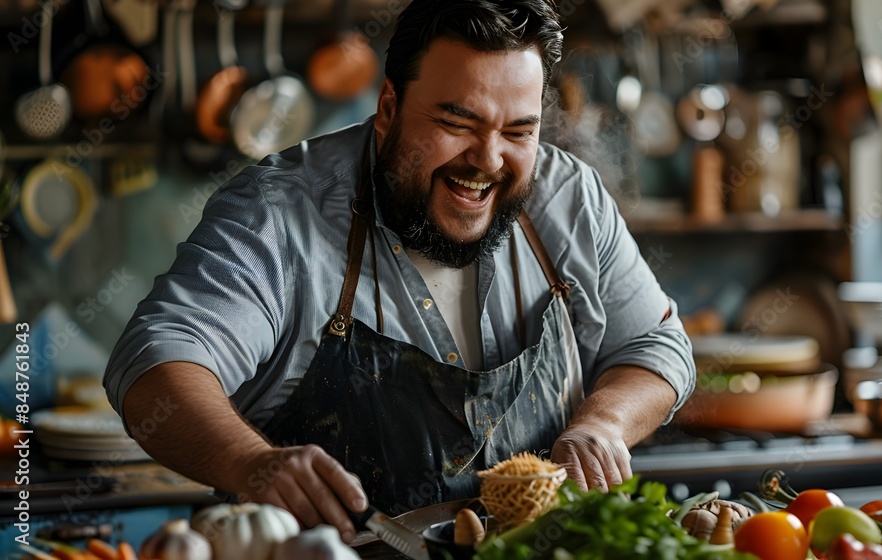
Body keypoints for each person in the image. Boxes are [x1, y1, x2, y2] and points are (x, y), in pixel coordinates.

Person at [104, 0, 694, 543]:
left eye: (518, 131)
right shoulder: (279, 213)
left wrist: (603, 423)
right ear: (389, 108)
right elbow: (156, 362)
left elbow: (655, 342)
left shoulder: (567, 197)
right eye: (457, 124)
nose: (487, 162)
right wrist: (252, 463)